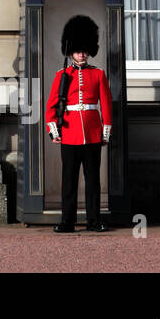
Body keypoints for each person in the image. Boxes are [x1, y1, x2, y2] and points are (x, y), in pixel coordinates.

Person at [46, 15, 113, 233]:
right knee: (69, 182)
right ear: (71, 51)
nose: (81, 54)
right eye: (77, 50)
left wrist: (105, 133)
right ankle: (68, 222)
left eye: (84, 50)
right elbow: (52, 106)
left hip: (93, 134)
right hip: (69, 133)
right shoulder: (61, 75)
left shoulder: (98, 74)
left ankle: (94, 221)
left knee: (93, 182)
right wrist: (54, 131)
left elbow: (106, 105)